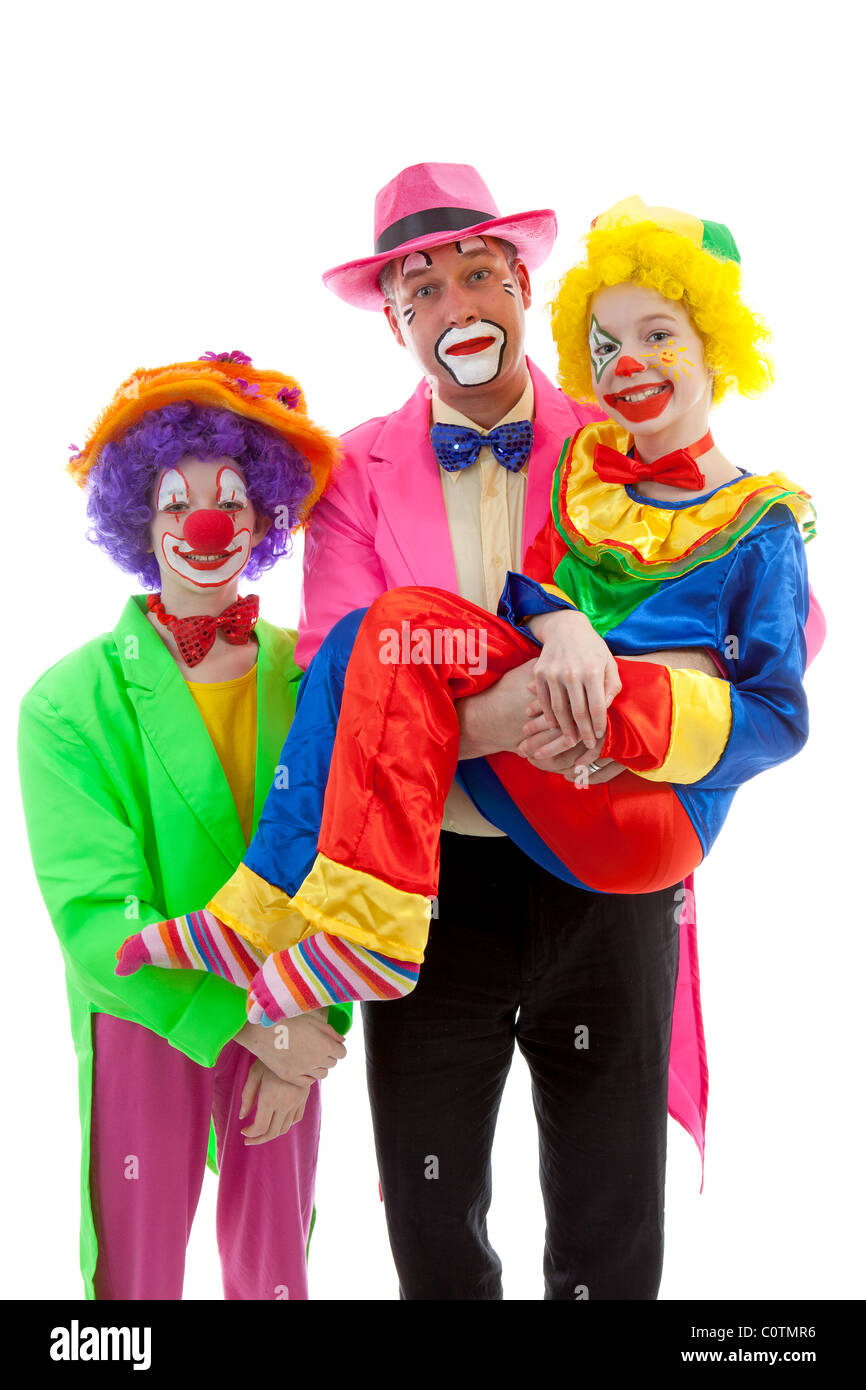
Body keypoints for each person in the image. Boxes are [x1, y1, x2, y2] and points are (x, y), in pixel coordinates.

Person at [124, 170, 825, 1300]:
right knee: (430, 1214)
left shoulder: (621, 428)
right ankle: (292, 911)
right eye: (423, 289)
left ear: (519, 284)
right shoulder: (351, 471)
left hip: (608, 881)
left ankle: (265, 899)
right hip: (423, 881)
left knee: (609, 1219)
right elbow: (341, 677)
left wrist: (641, 683)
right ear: (398, 322)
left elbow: (775, 617)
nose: (457, 306)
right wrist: (540, 710)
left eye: (478, 275)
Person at [18, 351, 349, 1300]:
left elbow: (353, 867)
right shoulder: (67, 702)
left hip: (292, 999)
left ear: (265, 516)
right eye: (177, 502)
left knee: (275, 1268)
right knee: (136, 1278)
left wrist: (307, 1021)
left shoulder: (316, 674)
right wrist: (252, 1028)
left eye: (233, 499)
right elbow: (96, 922)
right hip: (152, 1018)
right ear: (142, 519)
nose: (207, 523)